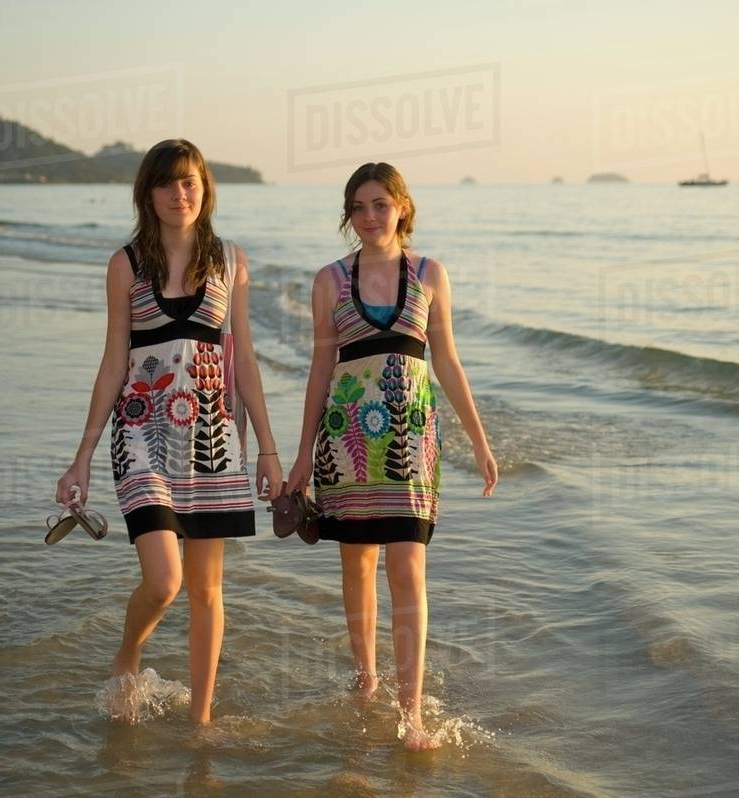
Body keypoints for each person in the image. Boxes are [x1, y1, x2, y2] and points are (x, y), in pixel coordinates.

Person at [56, 139, 282, 725]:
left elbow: (245, 362)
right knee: (164, 580)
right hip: (141, 434)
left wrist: (268, 448)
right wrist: (81, 456)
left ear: (205, 188)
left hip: (213, 438)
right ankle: (129, 652)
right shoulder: (125, 266)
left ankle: (201, 720)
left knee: (208, 591)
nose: (179, 194)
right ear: (147, 193)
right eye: (166, 184)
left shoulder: (231, 261)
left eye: (189, 182)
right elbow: (112, 362)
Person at [285, 162, 497, 751]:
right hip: (347, 438)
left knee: (408, 567)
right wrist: (303, 455)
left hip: (410, 442)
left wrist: (478, 440)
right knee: (357, 565)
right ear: (349, 217)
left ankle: (411, 715)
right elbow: (321, 369)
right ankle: (366, 678)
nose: (370, 216)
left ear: (402, 205)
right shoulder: (329, 280)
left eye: (380, 204)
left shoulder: (430, 274)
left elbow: (448, 362)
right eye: (358, 207)